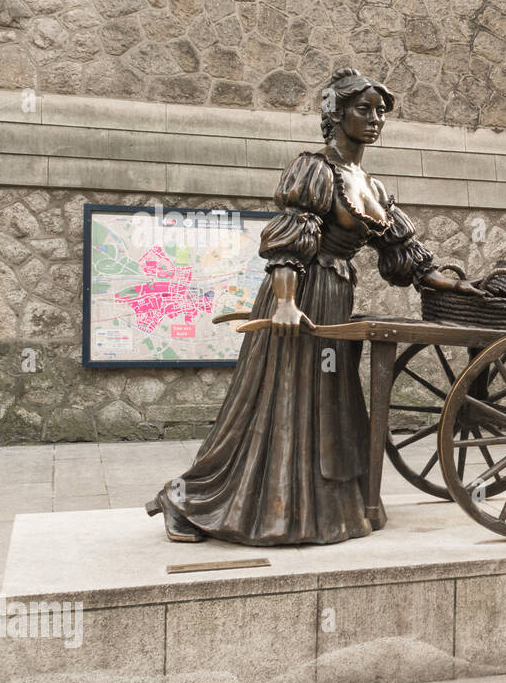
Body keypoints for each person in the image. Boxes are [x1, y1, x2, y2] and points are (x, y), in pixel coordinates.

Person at [145, 68, 484, 544]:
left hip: (335, 296)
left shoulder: (372, 185)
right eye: (362, 109)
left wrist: (444, 282)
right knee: (279, 401)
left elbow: (399, 252)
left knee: (327, 399)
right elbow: (288, 243)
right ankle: (186, 500)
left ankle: (323, 509)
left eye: (380, 111)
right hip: (301, 294)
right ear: (336, 114)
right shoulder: (313, 168)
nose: (374, 119)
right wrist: (284, 302)